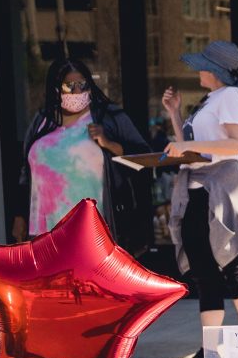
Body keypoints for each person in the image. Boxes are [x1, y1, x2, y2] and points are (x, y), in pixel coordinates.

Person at [161, 40, 238, 358]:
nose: (197, 70)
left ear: (216, 70)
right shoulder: (212, 100)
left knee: (229, 268)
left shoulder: (231, 97)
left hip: (217, 188)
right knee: (206, 272)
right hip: (197, 188)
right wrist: (175, 114)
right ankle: (210, 353)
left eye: (202, 65)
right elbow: (191, 151)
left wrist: (187, 143)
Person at [12, 58, 151, 251]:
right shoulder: (42, 121)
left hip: (95, 229)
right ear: (56, 89)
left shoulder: (109, 117)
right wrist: (19, 216)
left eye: (83, 84)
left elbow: (143, 155)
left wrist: (109, 143)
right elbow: (25, 173)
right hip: (46, 230)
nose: (78, 91)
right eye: (70, 86)